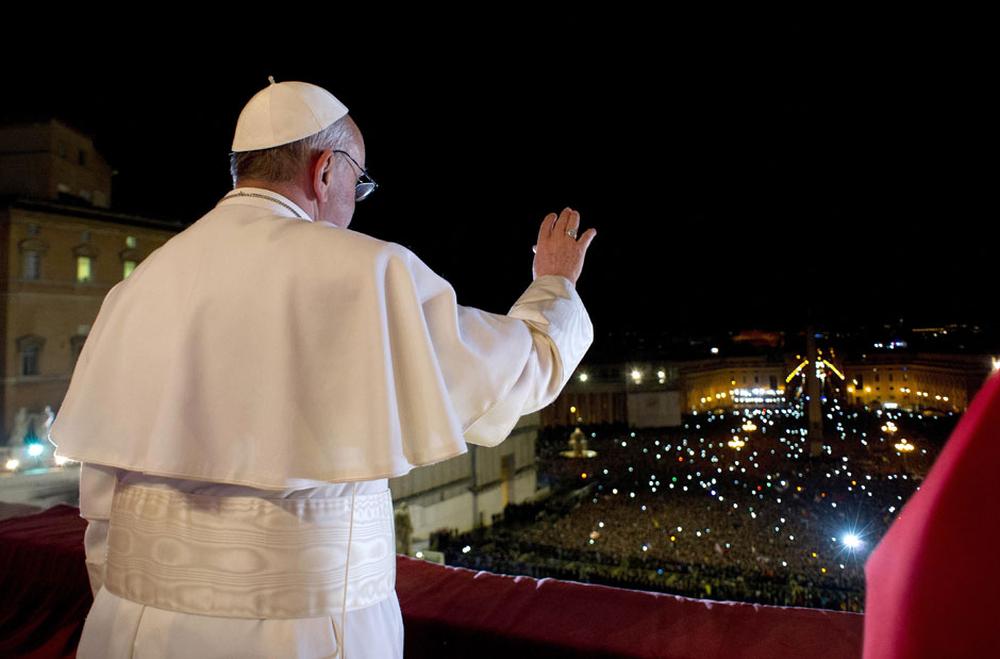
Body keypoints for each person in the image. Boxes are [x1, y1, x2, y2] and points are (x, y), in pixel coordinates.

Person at [48, 77, 597, 658]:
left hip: (132, 631)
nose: (355, 202)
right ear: (326, 170)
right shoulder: (370, 270)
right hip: (307, 636)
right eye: (358, 182)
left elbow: (102, 503)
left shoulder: (138, 285)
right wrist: (554, 284)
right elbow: (518, 369)